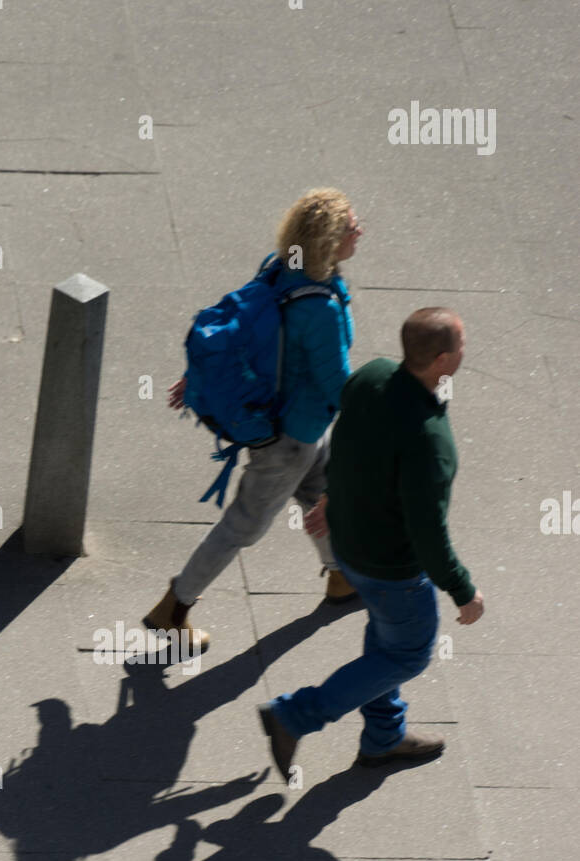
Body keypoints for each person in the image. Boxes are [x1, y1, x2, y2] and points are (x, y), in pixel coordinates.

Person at [259, 307, 484, 778]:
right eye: (461, 345)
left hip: (349, 547)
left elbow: (347, 445)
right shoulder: (429, 438)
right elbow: (427, 531)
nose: (466, 351)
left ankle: (383, 738)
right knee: (407, 653)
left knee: (385, 647)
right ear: (443, 359)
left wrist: (329, 497)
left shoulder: (372, 376)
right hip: (392, 571)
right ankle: (293, 716)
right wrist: (462, 590)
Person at [143, 188, 363, 655]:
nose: (359, 231)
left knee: (321, 492)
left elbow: (246, 330)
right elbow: (337, 385)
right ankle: (173, 608)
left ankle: (341, 577)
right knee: (241, 528)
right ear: (327, 240)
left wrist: (198, 376)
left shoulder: (281, 268)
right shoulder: (318, 309)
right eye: (350, 227)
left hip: (297, 428)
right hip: (288, 440)